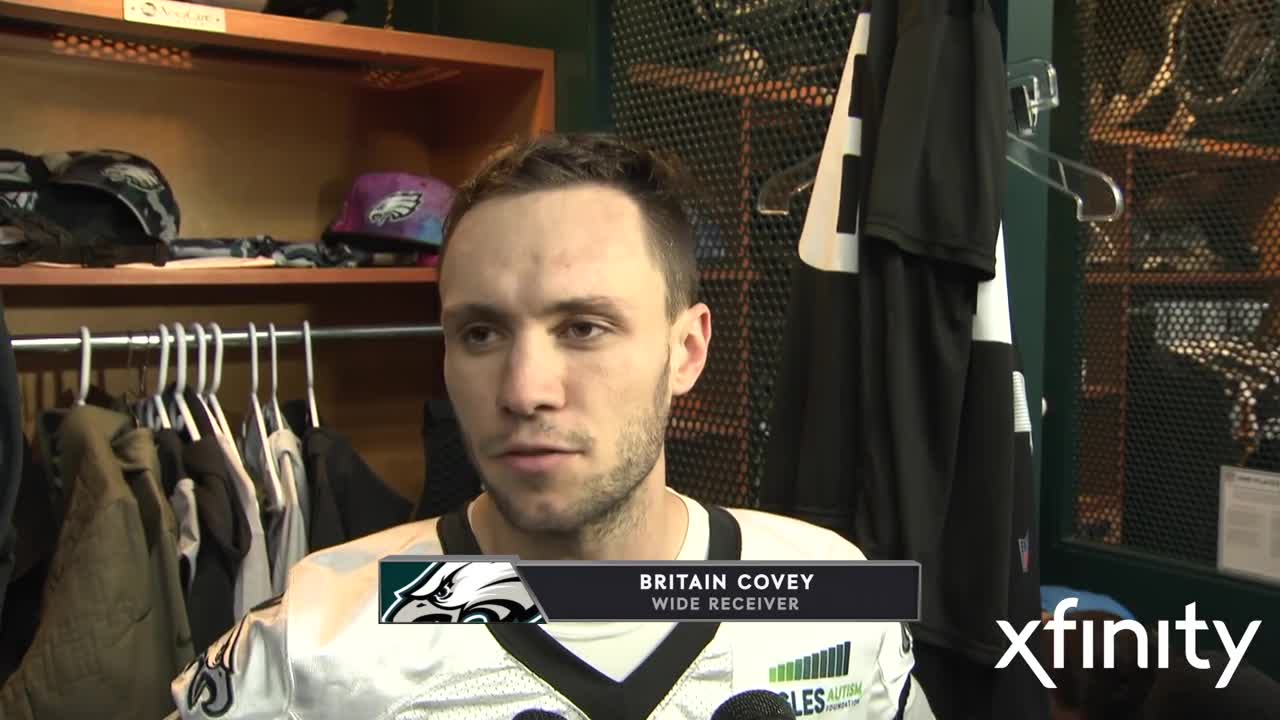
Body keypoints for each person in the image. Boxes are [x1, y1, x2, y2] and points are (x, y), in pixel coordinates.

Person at [166, 133, 936, 719]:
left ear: (687, 350)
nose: (524, 390)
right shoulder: (310, 645)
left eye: (584, 328)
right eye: (480, 334)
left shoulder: (830, 595)